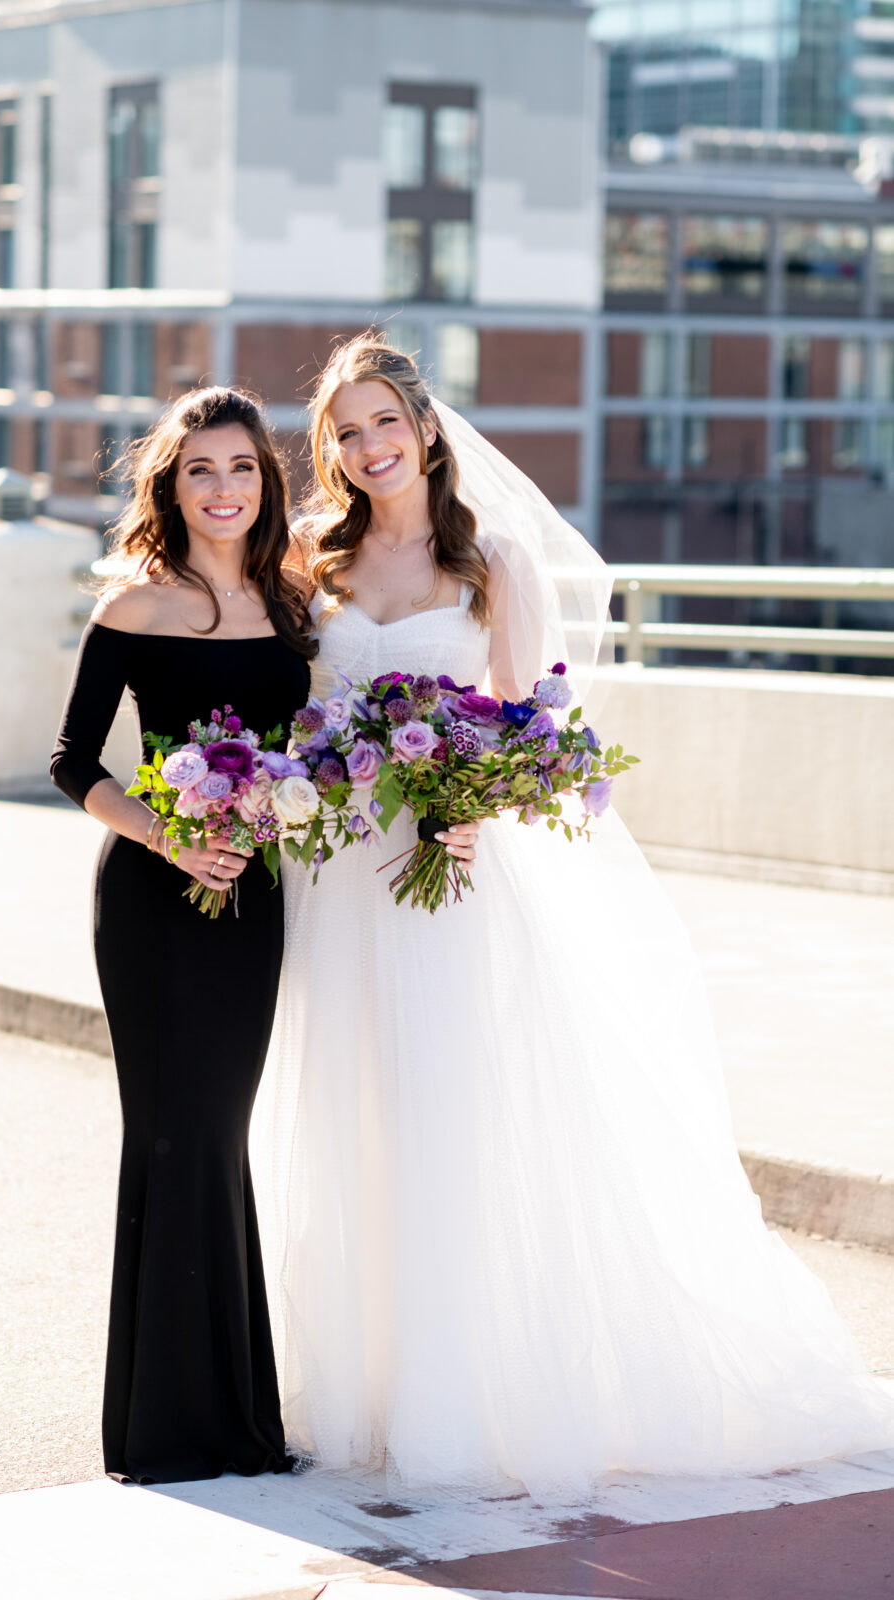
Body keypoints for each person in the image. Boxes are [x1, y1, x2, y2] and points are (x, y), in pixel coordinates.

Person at [251, 333, 894, 1501]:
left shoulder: (492, 561)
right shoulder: (310, 558)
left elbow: (539, 733)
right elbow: (297, 716)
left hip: (452, 879)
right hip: (342, 880)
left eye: (383, 421)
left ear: (426, 426)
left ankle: (471, 1393)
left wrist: (468, 811)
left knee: (456, 1116)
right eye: (344, 432)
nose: (367, 446)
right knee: (362, 1114)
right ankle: (372, 1390)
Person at [51, 387, 313, 1484]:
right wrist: (169, 838)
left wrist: (276, 809)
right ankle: (165, 1430)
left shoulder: (295, 603)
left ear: (266, 480)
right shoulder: (136, 602)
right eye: (200, 470)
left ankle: (236, 1417)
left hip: (252, 900)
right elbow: (73, 760)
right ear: (171, 482)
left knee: (220, 1137)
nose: (222, 489)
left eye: (241, 469)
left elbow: (318, 743)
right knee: (169, 1136)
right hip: (156, 902)